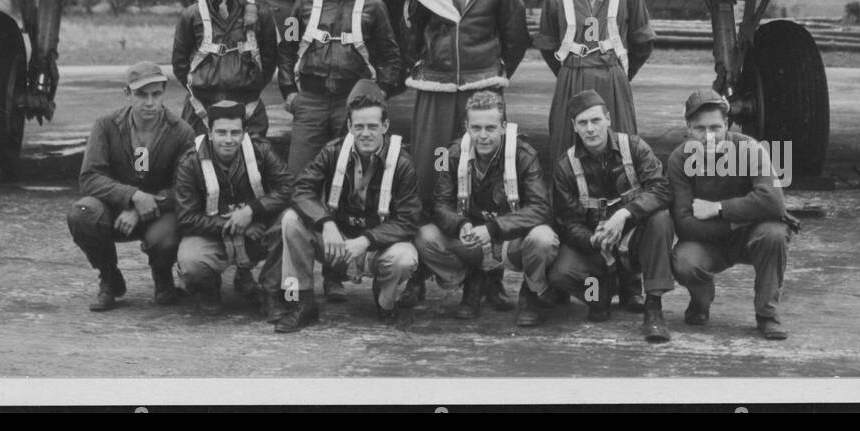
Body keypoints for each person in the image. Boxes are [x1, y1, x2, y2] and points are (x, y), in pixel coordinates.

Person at [400, 0, 530, 208]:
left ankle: (489, 215)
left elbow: (517, 37)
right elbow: (410, 37)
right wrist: (429, 66)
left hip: (482, 84)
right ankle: (433, 218)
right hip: (437, 87)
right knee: (436, 158)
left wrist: (493, 71)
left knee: (485, 153)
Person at [276, 81, 423, 332]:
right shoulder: (332, 152)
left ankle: (385, 302)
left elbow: (409, 221)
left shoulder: (403, 163)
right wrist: (326, 222)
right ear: (349, 127)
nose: (365, 133)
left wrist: (367, 239)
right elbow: (301, 190)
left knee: (405, 257)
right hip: (337, 242)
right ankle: (300, 302)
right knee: (291, 220)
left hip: (375, 247)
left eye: (373, 127)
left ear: (385, 127)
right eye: (359, 127)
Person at [414, 91, 560, 327]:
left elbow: (540, 208)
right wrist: (460, 224)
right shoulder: (451, 154)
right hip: (471, 240)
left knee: (543, 239)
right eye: (476, 128)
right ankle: (473, 279)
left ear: (503, 126)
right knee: (425, 237)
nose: (483, 136)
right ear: (466, 127)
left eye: (490, 128)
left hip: (510, 241)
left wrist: (493, 228)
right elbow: (440, 203)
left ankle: (530, 293)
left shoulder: (524, 156)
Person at [667, 89, 798, 340]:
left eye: (716, 127)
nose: (709, 136)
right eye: (700, 129)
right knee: (684, 261)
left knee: (774, 233)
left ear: (727, 124)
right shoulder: (679, 159)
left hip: (749, 236)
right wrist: (738, 222)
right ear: (688, 128)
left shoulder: (749, 147)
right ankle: (701, 300)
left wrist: (718, 209)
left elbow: (774, 202)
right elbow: (684, 224)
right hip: (706, 241)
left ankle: (767, 315)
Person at [277, 0, 403, 179]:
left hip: (352, 101)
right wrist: (289, 91)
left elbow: (391, 55)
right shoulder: (303, 1)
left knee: (352, 173)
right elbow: (287, 48)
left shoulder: (374, 5)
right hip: (310, 102)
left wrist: (382, 92)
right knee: (299, 175)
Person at [66, 62, 196, 311]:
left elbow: (185, 187)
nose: (149, 102)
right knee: (82, 214)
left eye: (156, 94)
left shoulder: (181, 132)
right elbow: (90, 176)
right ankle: (109, 276)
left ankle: (162, 274)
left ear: (163, 93)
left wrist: (144, 205)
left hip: (161, 210)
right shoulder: (106, 125)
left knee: (167, 237)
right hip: (115, 208)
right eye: (141, 95)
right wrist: (132, 196)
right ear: (127, 94)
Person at [548, 89, 675, 342]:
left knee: (661, 219)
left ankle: (653, 308)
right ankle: (602, 294)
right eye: (583, 123)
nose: (591, 129)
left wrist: (625, 214)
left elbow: (661, 189)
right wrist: (593, 240)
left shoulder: (635, 147)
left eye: (596, 121)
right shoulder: (565, 167)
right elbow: (567, 223)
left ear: (608, 119)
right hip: (595, 247)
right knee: (561, 273)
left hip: (634, 238)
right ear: (574, 127)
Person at [536, 0, 654, 164]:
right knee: (566, 149)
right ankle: (569, 204)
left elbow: (642, 42)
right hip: (572, 76)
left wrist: (619, 74)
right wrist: (570, 70)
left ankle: (621, 204)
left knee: (620, 149)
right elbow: (546, 43)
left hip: (612, 76)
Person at [173, 100, 294, 319]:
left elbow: (288, 188)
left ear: (244, 132)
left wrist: (252, 211)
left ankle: (271, 292)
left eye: (235, 132)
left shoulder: (261, 150)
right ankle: (208, 289)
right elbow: (186, 217)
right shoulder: (190, 162)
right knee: (191, 263)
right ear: (209, 132)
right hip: (212, 234)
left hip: (258, 226)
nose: (228, 140)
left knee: (291, 221)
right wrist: (235, 226)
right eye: (221, 132)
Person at [172, 0, 279, 140]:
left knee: (251, 165)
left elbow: (268, 61)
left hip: (246, 107)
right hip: (201, 109)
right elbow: (179, 64)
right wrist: (205, 84)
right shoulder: (191, 15)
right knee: (195, 166)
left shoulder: (260, 13)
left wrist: (245, 84)